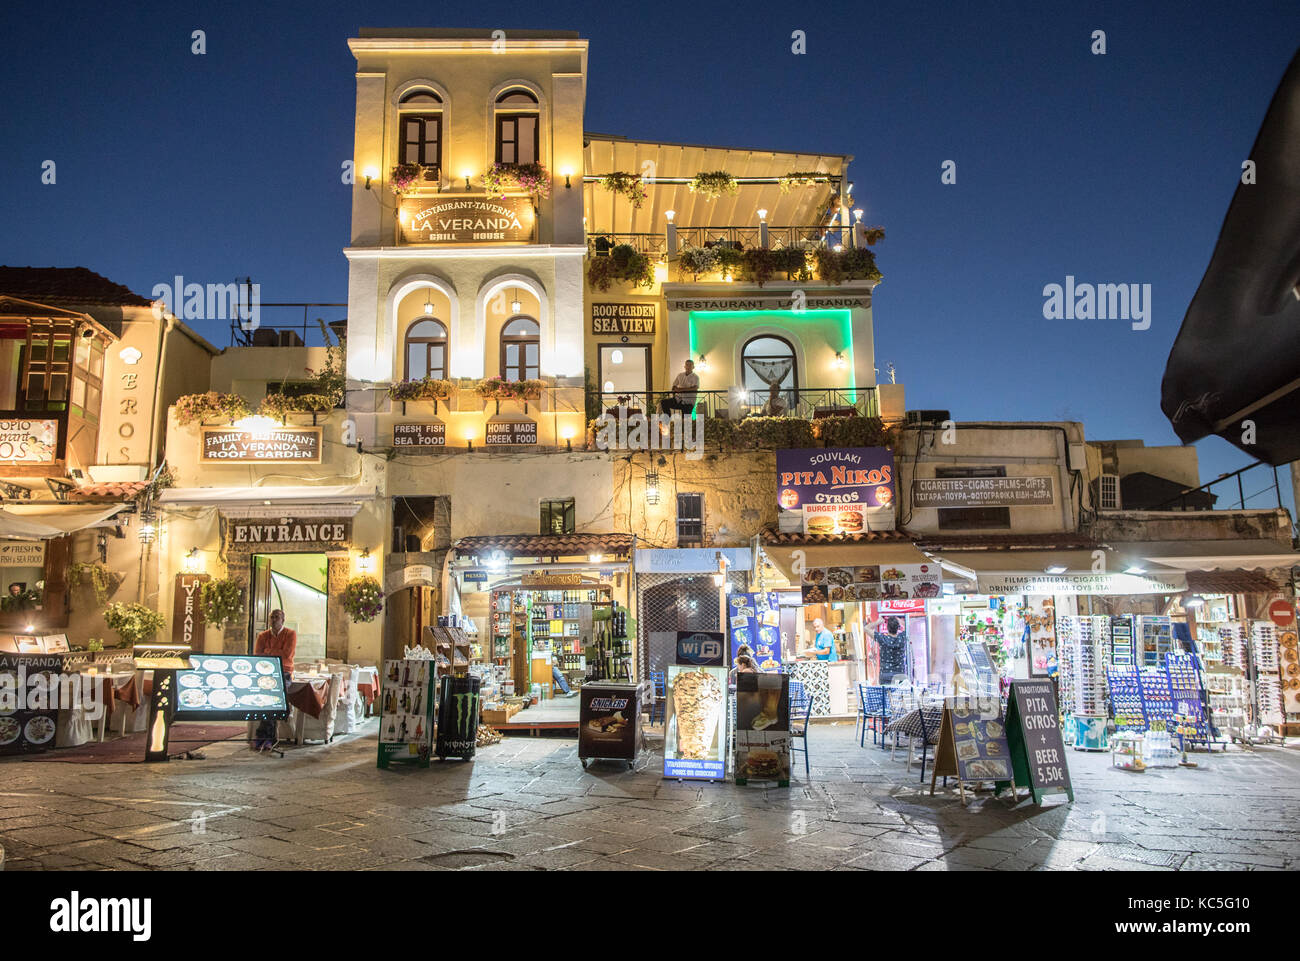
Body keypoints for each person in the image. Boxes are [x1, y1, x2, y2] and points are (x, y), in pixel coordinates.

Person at [254, 609, 297, 677]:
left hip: (284, 671)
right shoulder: (262, 635)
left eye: (277, 617)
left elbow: (286, 655)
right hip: (265, 670)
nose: (274, 620)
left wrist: (267, 650)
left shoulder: (290, 634)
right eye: (272, 617)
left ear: (282, 620)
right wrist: (279, 652)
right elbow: (258, 656)